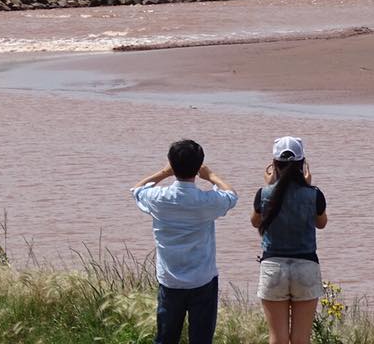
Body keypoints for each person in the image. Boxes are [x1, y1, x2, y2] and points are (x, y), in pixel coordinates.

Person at [131, 139, 238, 344]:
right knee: (201, 339)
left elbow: (136, 190)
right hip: (202, 279)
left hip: (170, 279)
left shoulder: (158, 198)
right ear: (198, 166)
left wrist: (164, 173)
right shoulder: (206, 202)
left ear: (171, 163)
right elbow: (231, 195)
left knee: (166, 338)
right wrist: (211, 176)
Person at [251, 136, 328, 344]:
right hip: (306, 265)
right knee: (302, 339)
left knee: (277, 337)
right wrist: (308, 187)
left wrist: (270, 187)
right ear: (303, 165)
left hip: (273, 267)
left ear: (274, 165)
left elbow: (255, 222)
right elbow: (321, 223)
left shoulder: (264, 194)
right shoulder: (314, 194)